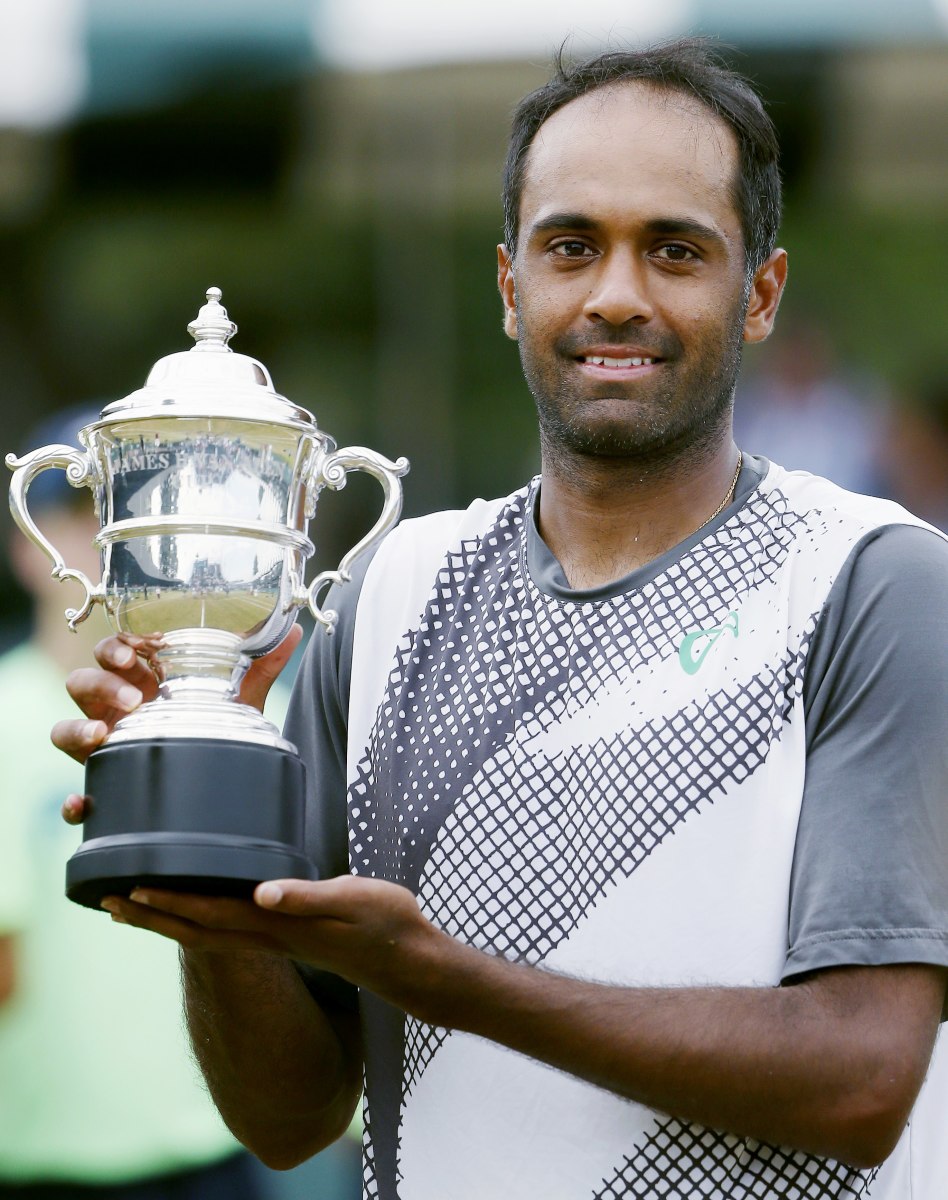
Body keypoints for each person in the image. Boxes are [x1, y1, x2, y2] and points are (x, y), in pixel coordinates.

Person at [51, 41, 948, 1199]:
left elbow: (861, 1080)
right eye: (571, 246)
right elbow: (288, 1119)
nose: (616, 294)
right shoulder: (387, 594)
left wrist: (446, 979)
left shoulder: (870, 581)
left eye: (675, 250)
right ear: (511, 285)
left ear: (761, 294)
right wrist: (211, 896)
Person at [0, 408, 269, 1199]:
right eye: (85, 518)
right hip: (41, 1157)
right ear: (27, 546)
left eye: (136, 517)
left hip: (220, 1141)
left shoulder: (256, 712)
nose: (112, 543)